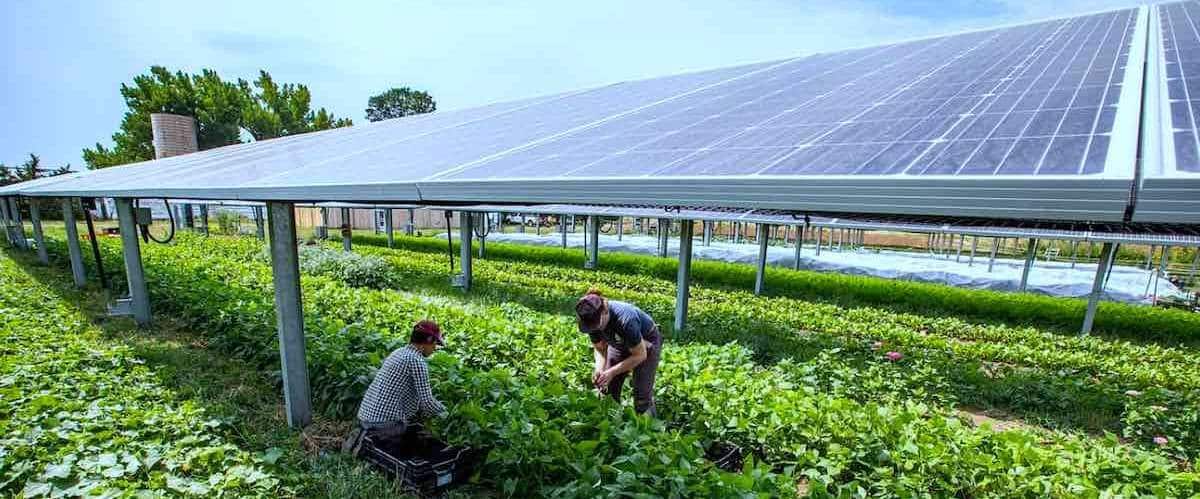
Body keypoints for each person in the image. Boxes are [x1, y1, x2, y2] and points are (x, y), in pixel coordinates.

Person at [343, 320, 448, 455]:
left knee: (410, 423)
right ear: (427, 340)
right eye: (435, 343)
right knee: (412, 440)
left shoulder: (399, 352)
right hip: (383, 424)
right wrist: (446, 415)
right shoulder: (417, 361)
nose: (435, 348)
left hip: (365, 418)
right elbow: (427, 402)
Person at [575, 288, 662, 416]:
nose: (594, 329)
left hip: (645, 344)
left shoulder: (626, 320)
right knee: (608, 389)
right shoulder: (591, 319)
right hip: (618, 343)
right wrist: (600, 369)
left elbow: (640, 355)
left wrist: (611, 372)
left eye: (596, 326)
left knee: (642, 396)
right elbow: (600, 348)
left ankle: (650, 429)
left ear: (604, 311)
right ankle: (612, 424)